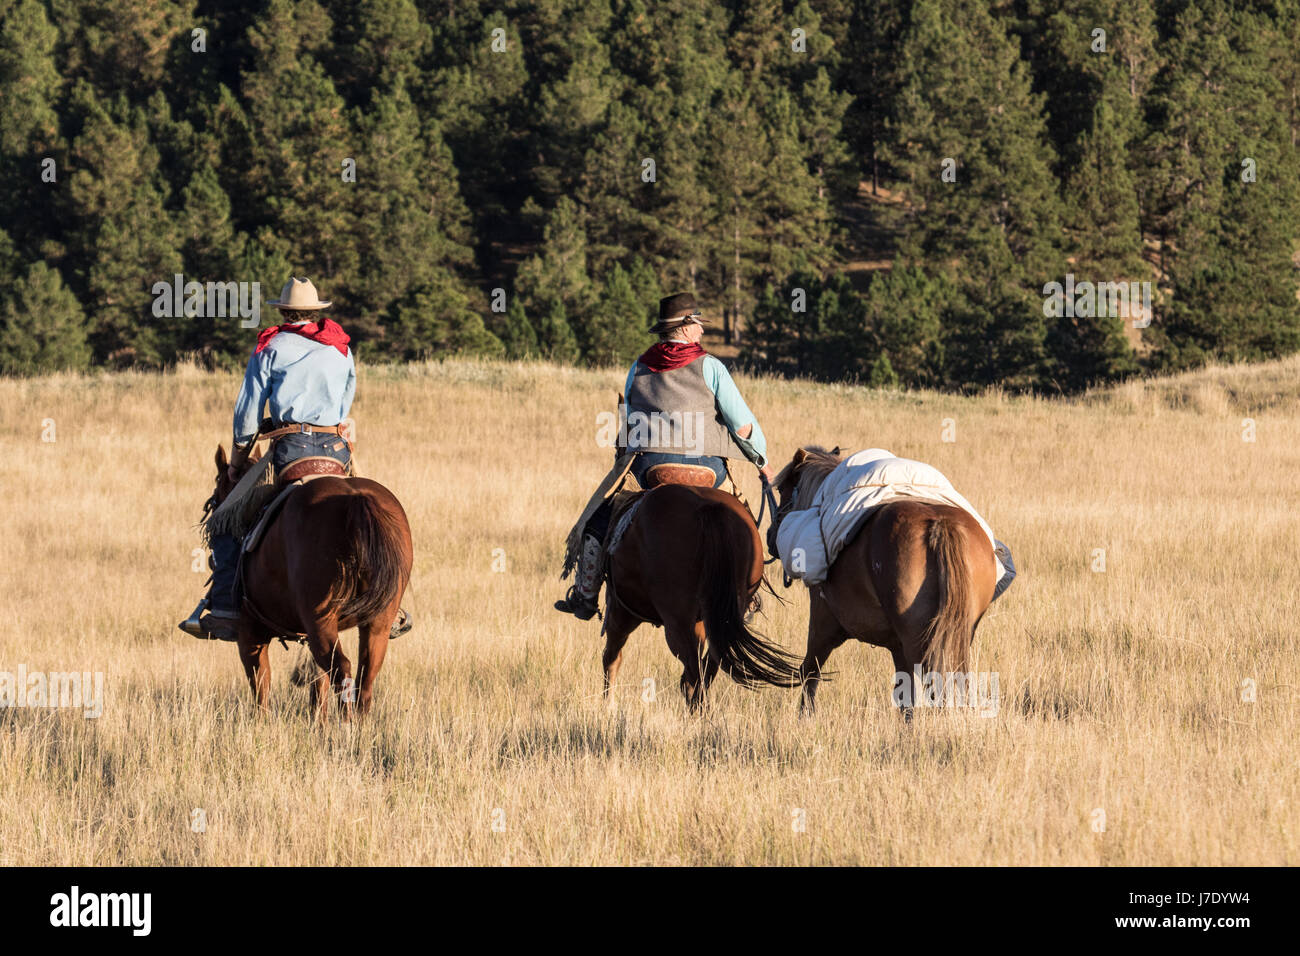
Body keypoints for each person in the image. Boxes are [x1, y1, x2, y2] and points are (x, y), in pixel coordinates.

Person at [555, 292, 775, 620]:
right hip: (707, 469)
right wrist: (762, 463)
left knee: (600, 519)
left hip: (651, 469)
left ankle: (586, 593)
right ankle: (749, 589)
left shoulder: (638, 367)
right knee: (739, 517)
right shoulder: (711, 367)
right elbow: (742, 427)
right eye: (697, 322)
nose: (701, 329)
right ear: (685, 328)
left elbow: (629, 418)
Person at [179, 276, 356, 641]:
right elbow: (346, 400)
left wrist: (238, 458)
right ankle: (391, 604)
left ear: (286, 312)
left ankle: (226, 606)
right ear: (313, 312)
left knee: (224, 521)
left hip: (290, 451)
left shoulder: (271, 345)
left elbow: (247, 413)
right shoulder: (340, 346)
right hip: (338, 451)